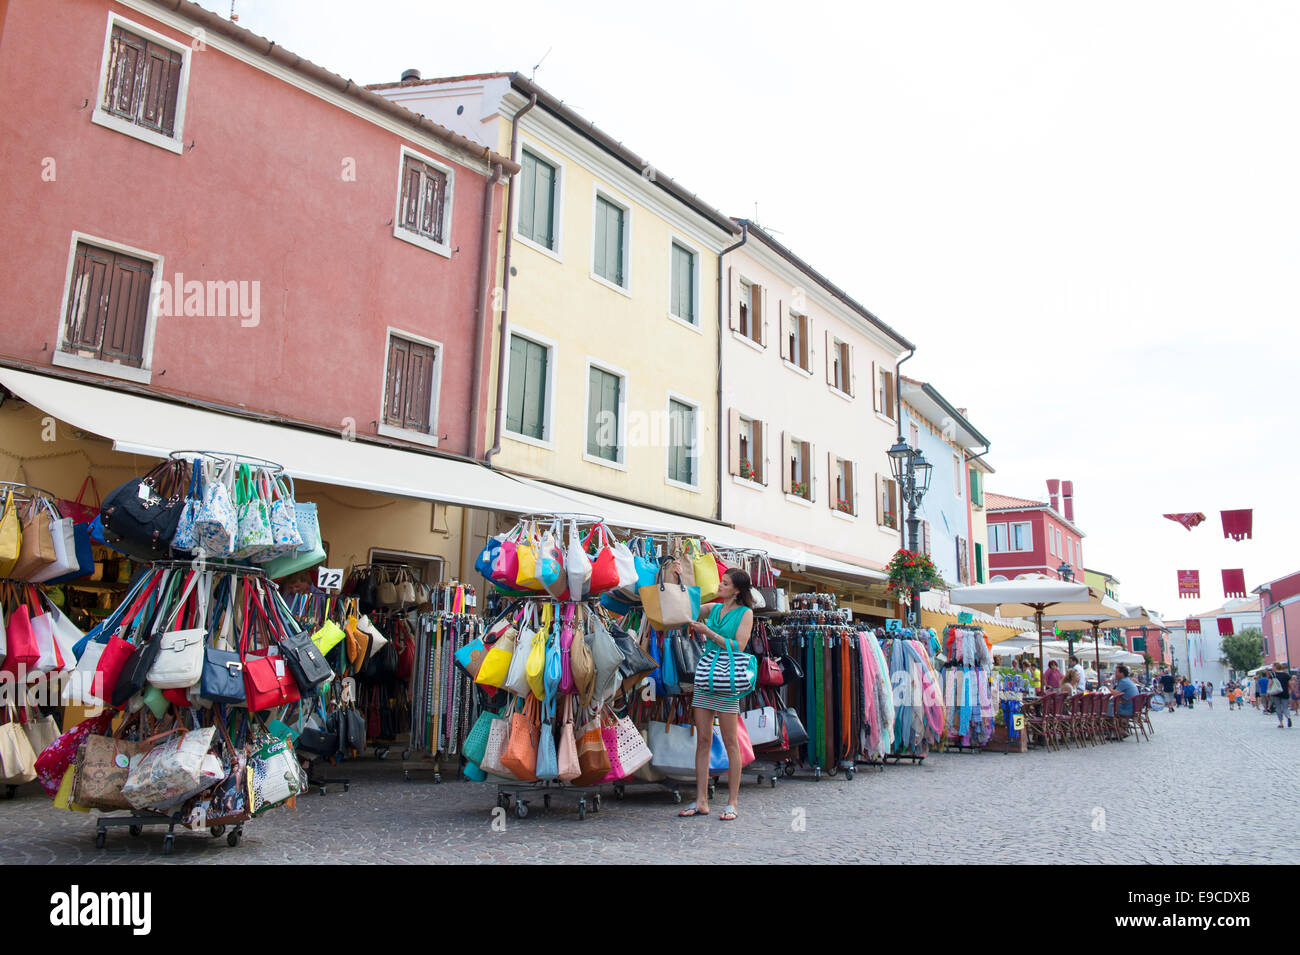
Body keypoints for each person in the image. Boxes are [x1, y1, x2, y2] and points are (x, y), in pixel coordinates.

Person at [677, 566, 755, 821]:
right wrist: (681, 575)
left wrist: (709, 633)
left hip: (727, 677)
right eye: (721, 582)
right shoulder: (713, 608)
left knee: (731, 742)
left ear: (737, 590)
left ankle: (732, 801)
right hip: (707, 675)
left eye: (725, 583)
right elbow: (687, 605)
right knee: (703, 740)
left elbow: (739, 646)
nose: (720, 586)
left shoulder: (746, 614)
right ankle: (701, 800)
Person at [1269, 662, 1292, 729]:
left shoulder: (1273, 675)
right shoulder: (1286, 674)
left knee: (1278, 707)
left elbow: (1270, 683)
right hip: (1285, 692)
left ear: (1275, 667)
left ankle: (1281, 723)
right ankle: (1288, 717)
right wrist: (1290, 691)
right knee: (1285, 707)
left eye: (1273, 666)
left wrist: (1268, 691)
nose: (1272, 668)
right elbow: (1290, 684)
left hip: (1276, 693)